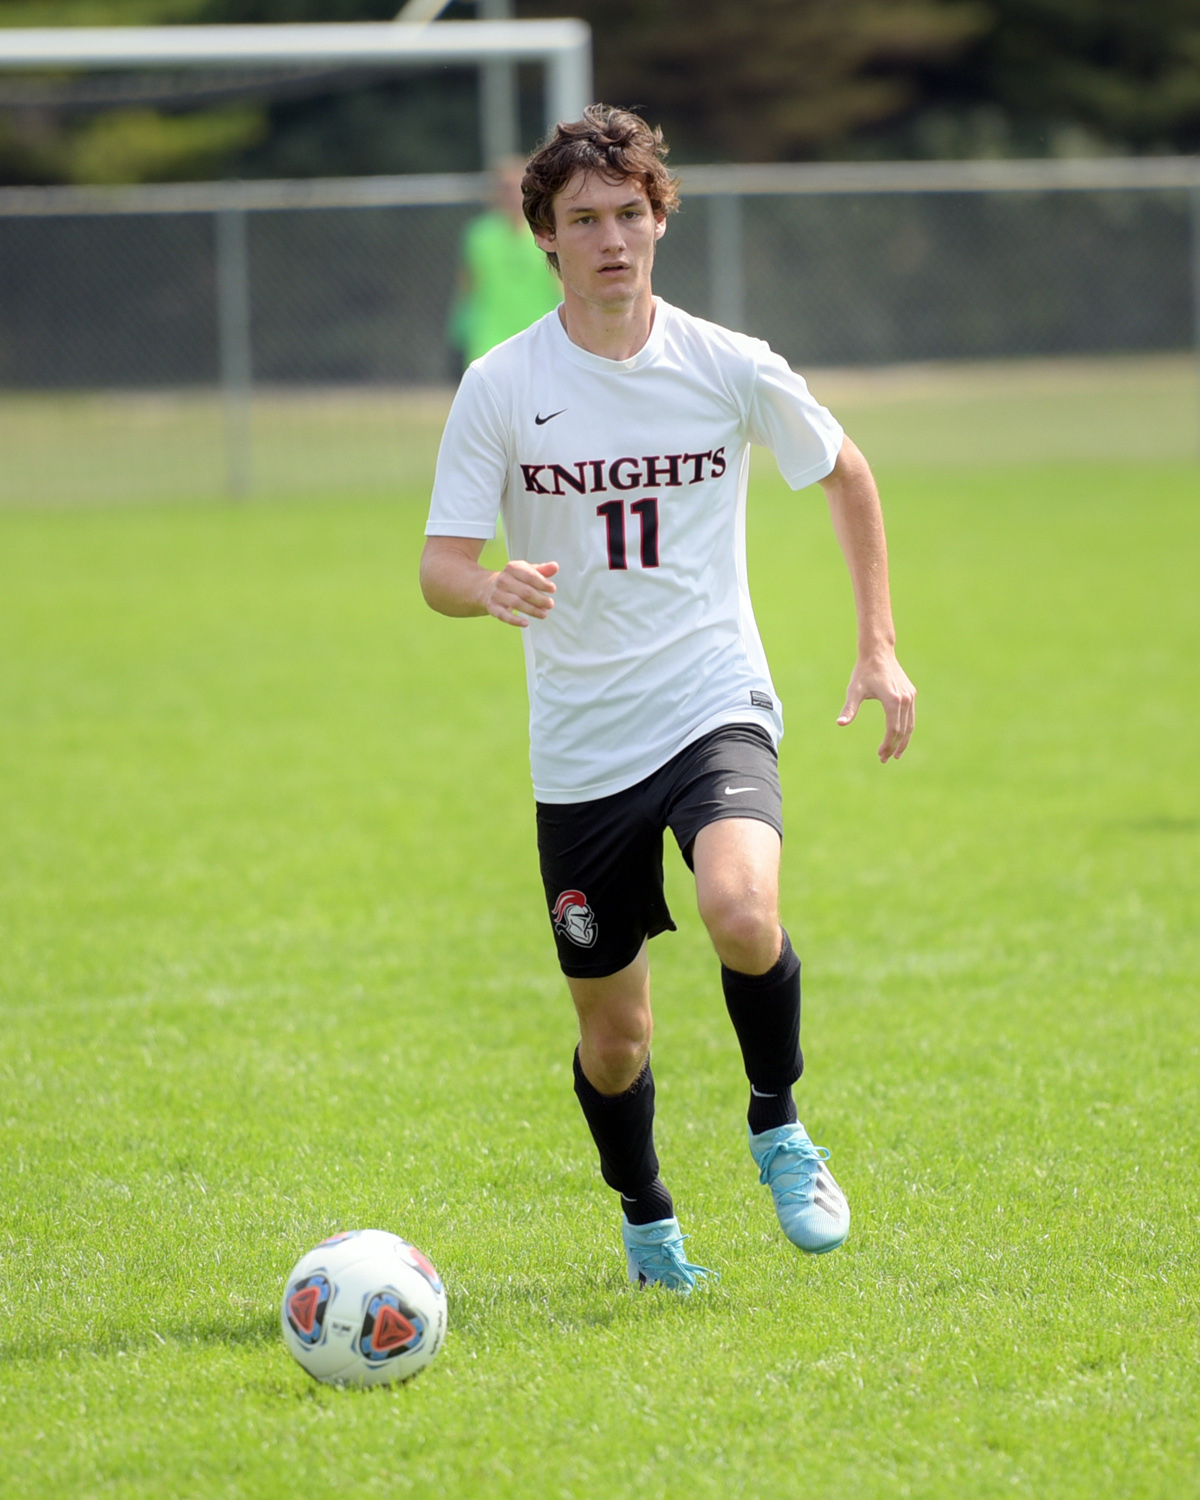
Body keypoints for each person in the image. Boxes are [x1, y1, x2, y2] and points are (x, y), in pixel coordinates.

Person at [420, 105, 915, 1292]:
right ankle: (647, 1218)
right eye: (583, 220)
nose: (611, 240)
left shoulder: (727, 363)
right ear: (544, 237)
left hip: (711, 697)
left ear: (660, 221)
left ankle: (779, 1123)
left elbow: (844, 468)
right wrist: (486, 587)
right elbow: (438, 566)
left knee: (744, 910)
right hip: (582, 745)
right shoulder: (500, 386)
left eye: (630, 215)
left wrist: (878, 646)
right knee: (616, 1035)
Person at [447, 156, 563, 371]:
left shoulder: (547, 233)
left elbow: (560, 282)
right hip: (489, 334)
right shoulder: (479, 234)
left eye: (517, 188)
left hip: (538, 332)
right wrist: (462, 324)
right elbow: (468, 283)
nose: (511, 194)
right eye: (504, 188)